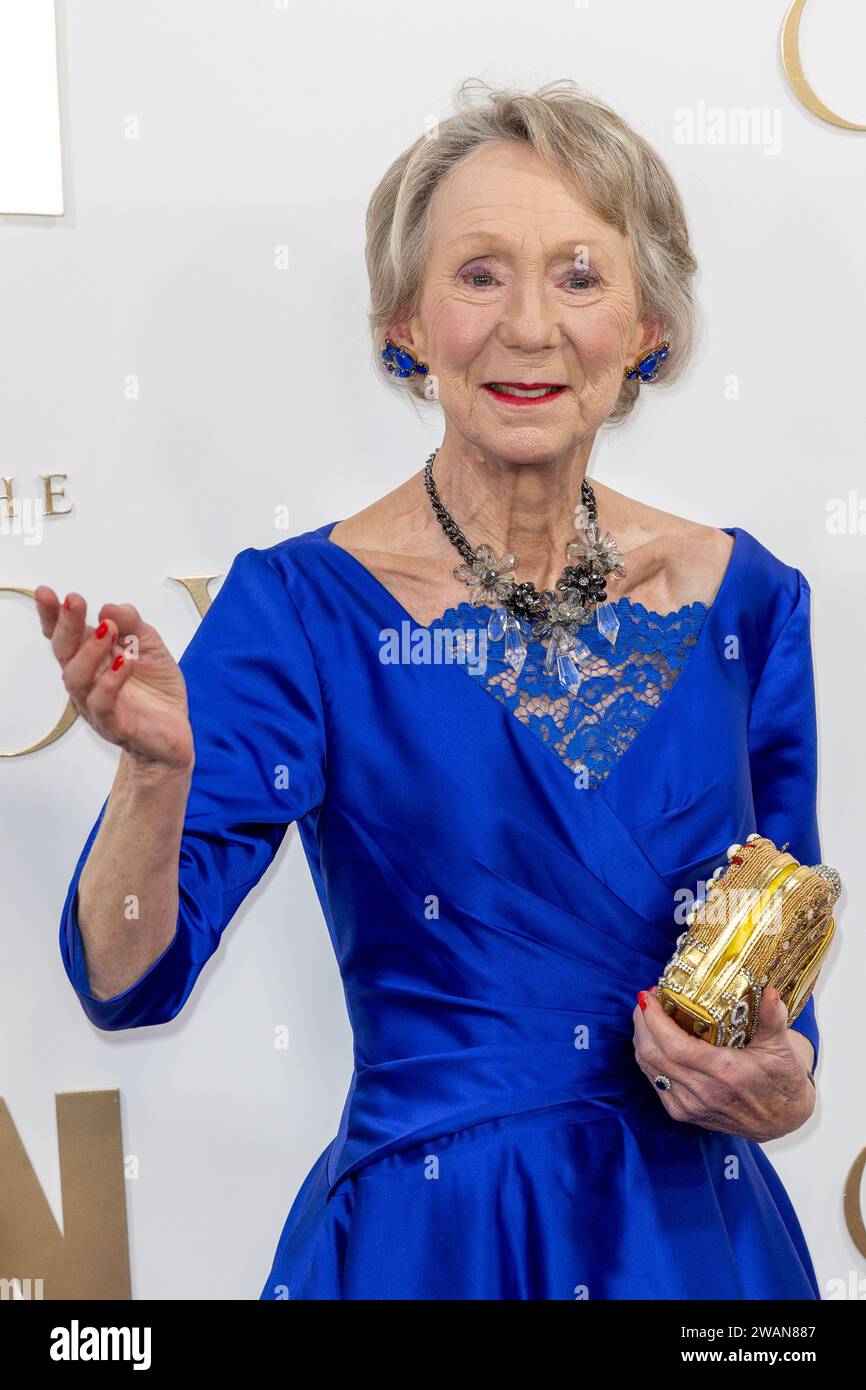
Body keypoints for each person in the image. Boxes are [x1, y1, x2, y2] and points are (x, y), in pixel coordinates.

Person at [37, 78, 824, 1300]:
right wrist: (152, 773)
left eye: (576, 274)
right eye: (476, 275)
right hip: (430, 1247)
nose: (527, 325)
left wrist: (780, 1086)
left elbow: (784, 970)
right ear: (403, 322)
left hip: (692, 1255)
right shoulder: (300, 608)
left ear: (647, 325)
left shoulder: (745, 600)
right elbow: (123, 975)